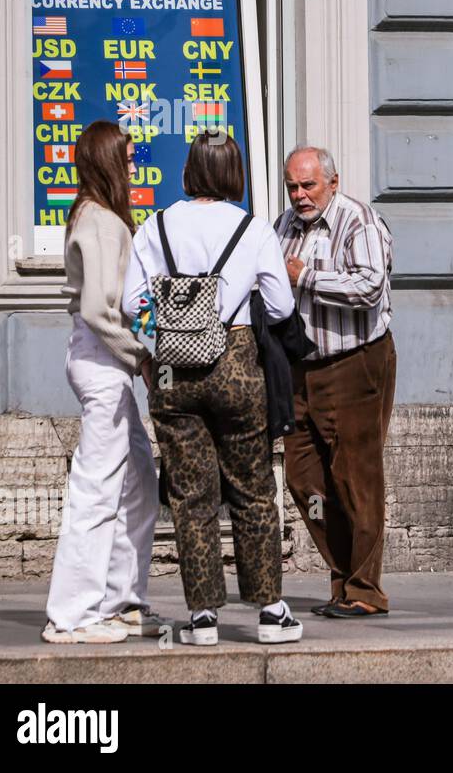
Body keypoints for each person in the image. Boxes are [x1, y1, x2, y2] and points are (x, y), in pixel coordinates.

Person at [122, 134, 302, 644]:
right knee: (252, 489)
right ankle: (270, 611)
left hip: (174, 368)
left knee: (190, 494)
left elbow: (131, 304)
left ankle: (202, 617)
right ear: (234, 174)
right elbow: (283, 307)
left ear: (189, 172)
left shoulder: (155, 226)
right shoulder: (251, 228)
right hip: (236, 361)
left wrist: (165, 335)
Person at [43, 121, 167, 644]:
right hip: (103, 360)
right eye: (129, 156)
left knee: (139, 483)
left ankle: (122, 602)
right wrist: (141, 355)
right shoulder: (100, 221)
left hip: (100, 358)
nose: (135, 165)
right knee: (97, 488)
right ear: (108, 160)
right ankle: (72, 615)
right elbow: (98, 309)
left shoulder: (97, 216)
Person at [274, 147, 396, 618]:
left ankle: (364, 590)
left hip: (355, 361)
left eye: (308, 185)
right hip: (300, 368)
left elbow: (368, 287)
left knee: (355, 478)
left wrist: (304, 276)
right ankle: (345, 575)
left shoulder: (358, 221)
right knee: (303, 478)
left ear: (332, 181)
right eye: (292, 186)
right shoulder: (283, 226)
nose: (299, 195)